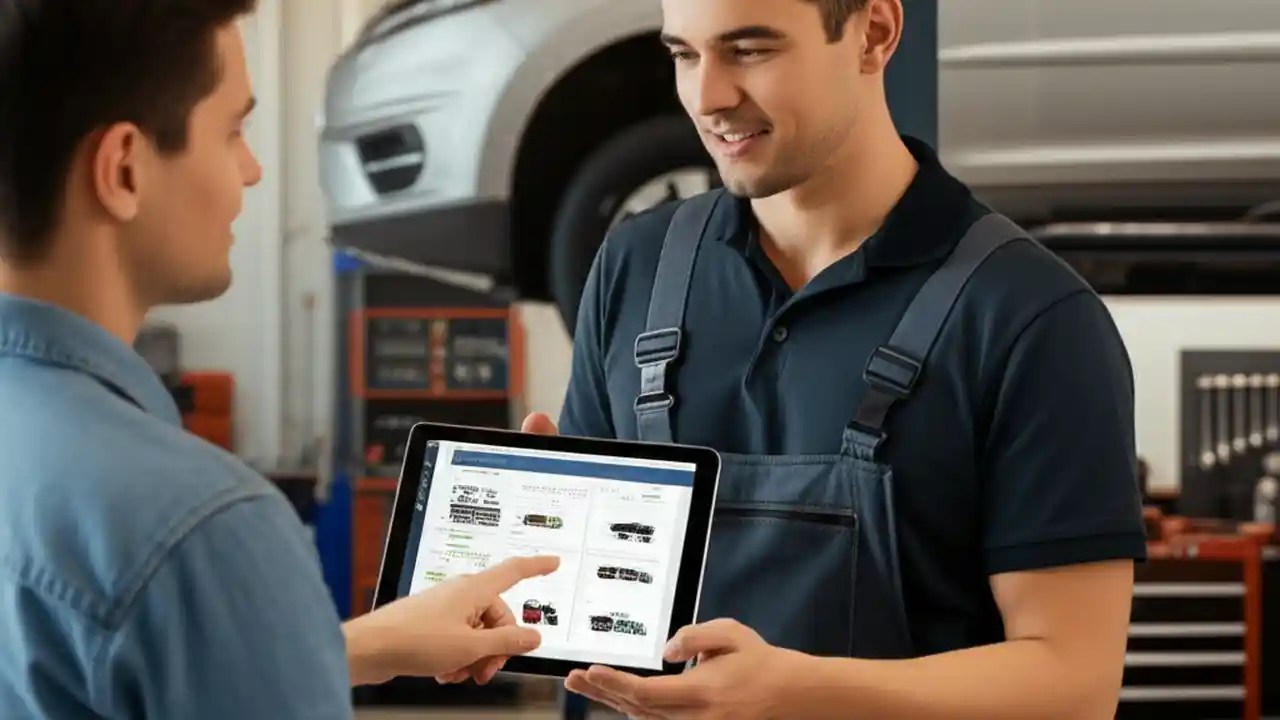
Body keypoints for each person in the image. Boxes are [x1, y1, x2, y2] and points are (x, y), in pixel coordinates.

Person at [525, 0, 1148, 717]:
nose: (708, 98)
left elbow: (1074, 686)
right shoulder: (636, 263)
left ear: (874, 33)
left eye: (750, 51)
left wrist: (804, 694)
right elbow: (597, 614)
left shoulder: (1029, 317)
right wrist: (545, 549)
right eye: (684, 55)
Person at [0, 2, 556, 717]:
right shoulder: (203, 526)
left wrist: (346, 645)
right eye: (233, 130)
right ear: (125, 170)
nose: (254, 169)